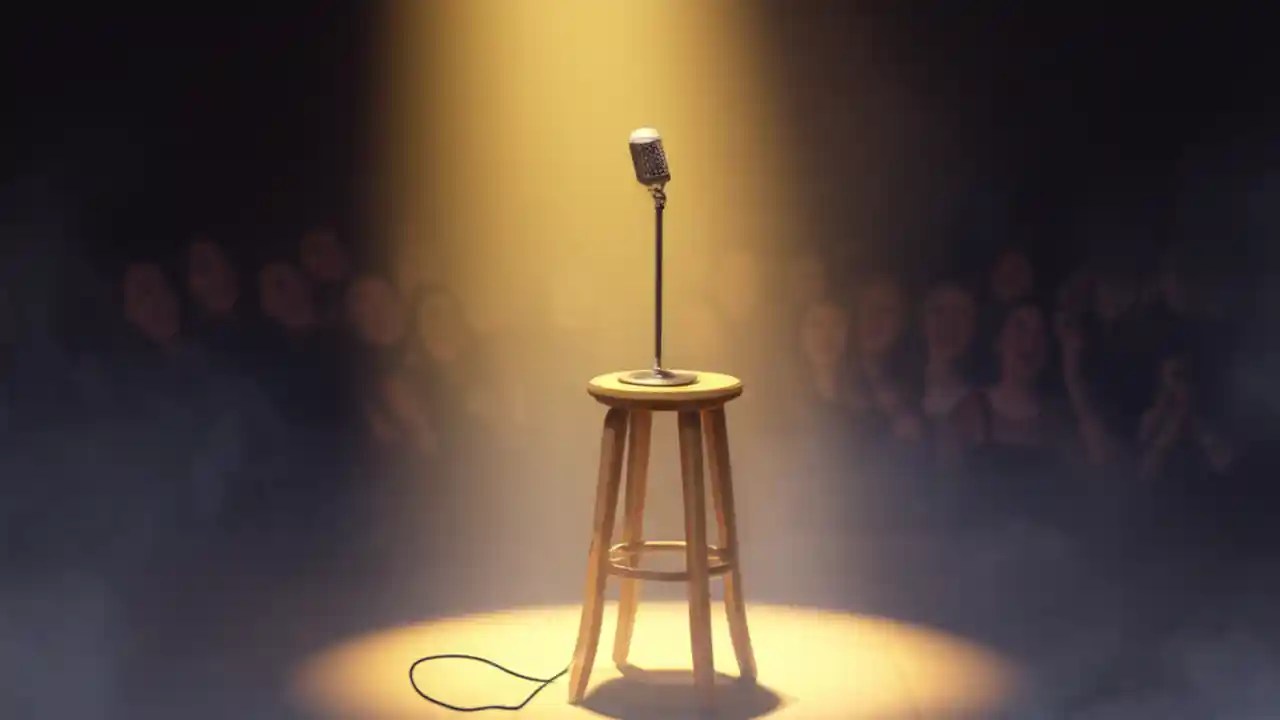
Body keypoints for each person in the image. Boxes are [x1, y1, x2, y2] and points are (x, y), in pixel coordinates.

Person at [846, 273, 923, 443]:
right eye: (867, 308)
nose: (874, 318)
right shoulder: (834, 382)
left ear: (903, 322)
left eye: (886, 310)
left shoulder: (920, 393)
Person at [919, 278, 978, 425]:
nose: (949, 323)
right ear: (922, 321)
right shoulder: (896, 389)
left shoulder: (982, 403)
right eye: (939, 311)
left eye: (960, 313)